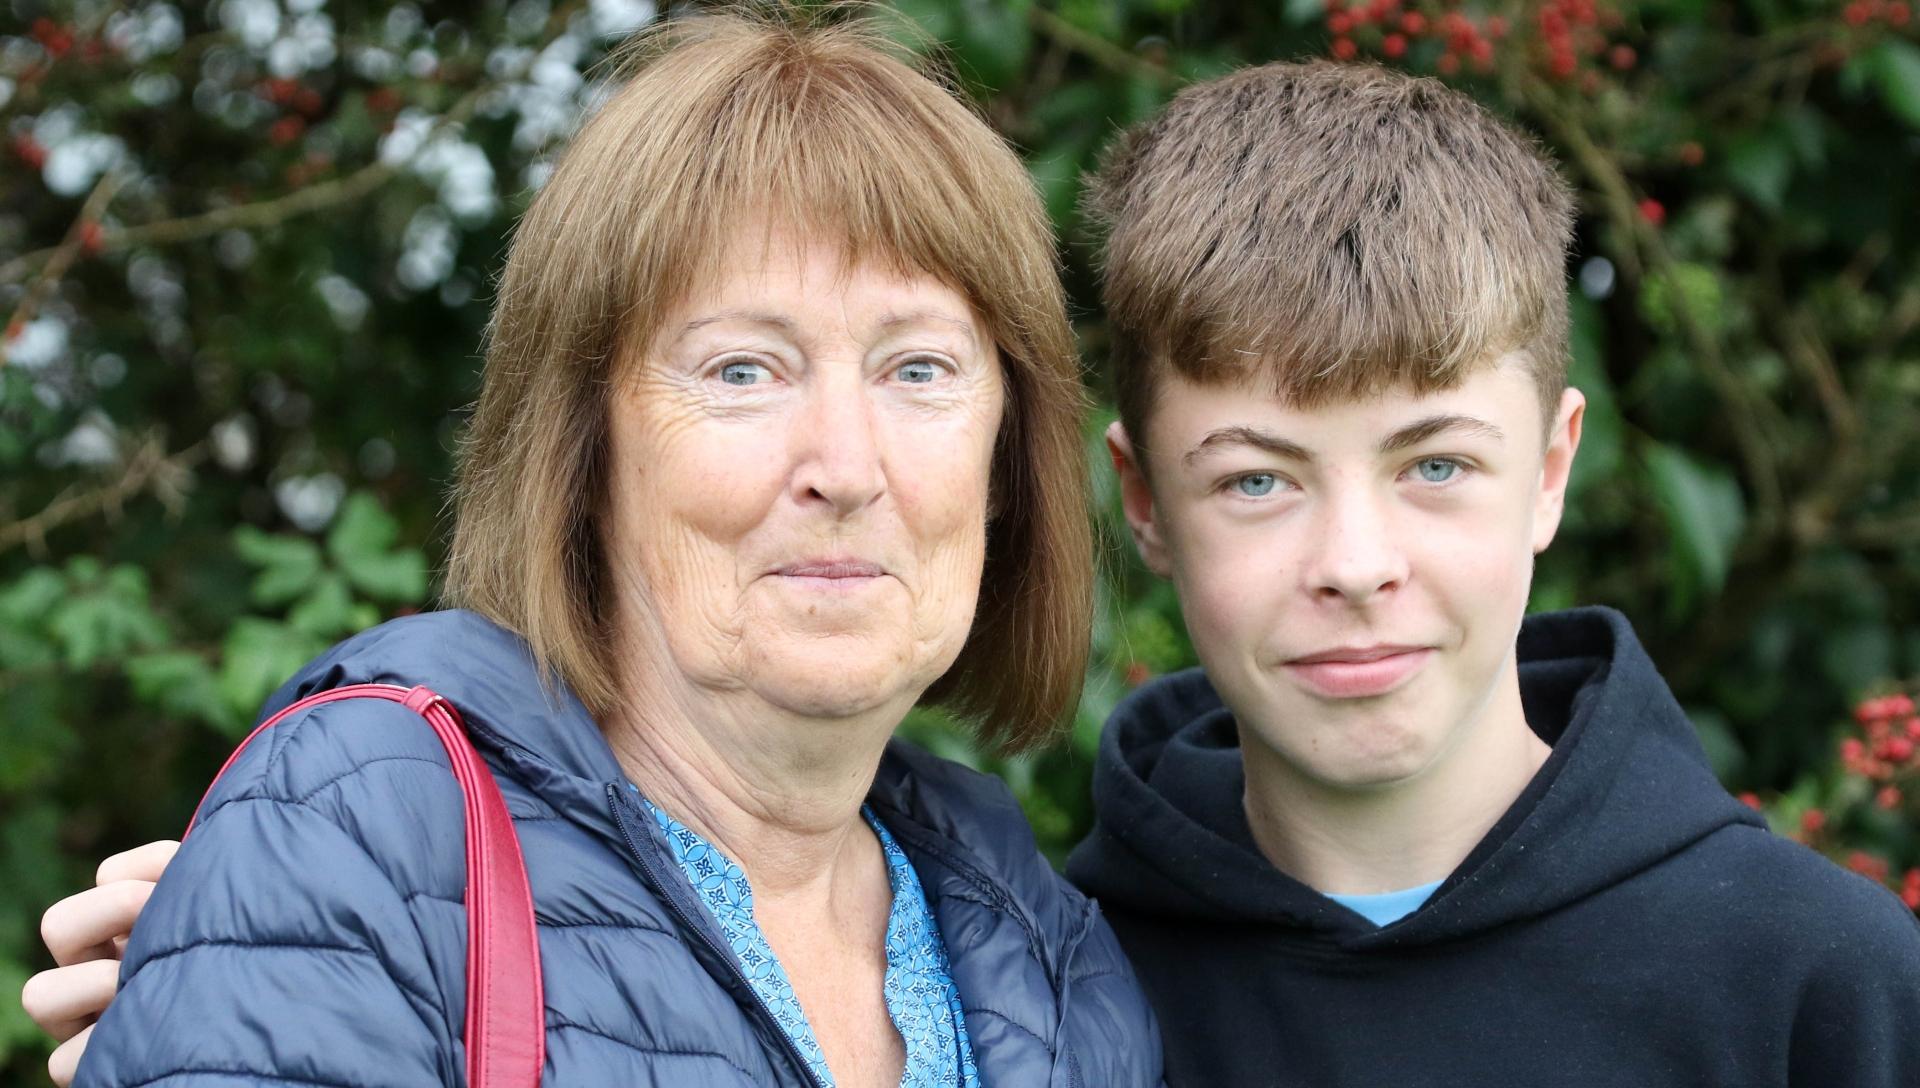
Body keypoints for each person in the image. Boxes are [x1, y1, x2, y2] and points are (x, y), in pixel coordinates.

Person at [22, 10, 1162, 1088]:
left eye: (918, 368)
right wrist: (267, 938)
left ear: (1009, 460)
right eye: (741, 371)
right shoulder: (361, 846)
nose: (846, 465)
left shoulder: (1053, 957)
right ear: (585, 450)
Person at [1060, 59, 1920, 1086]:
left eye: (1436, 465)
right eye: (1256, 481)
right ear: (1145, 498)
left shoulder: (1827, 987)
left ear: (1552, 470)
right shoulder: (1052, 998)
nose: (1356, 565)